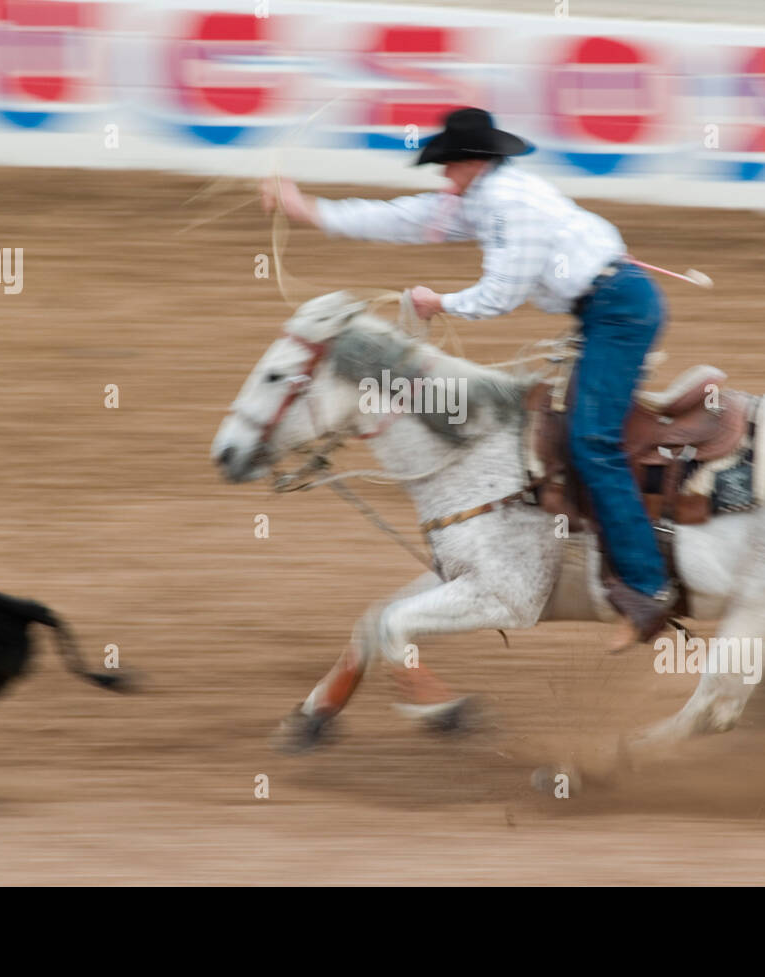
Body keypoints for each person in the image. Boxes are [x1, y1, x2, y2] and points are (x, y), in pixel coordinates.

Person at [260, 107, 676, 640]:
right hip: (611, 306)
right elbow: (404, 219)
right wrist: (309, 210)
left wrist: (442, 302)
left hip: (616, 312)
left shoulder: (507, 204)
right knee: (570, 428)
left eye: (447, 164)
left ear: (472, 162)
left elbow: (502, 293)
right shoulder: (487, 195)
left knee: (591, 439)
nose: (441, 175)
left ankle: (646, 591)